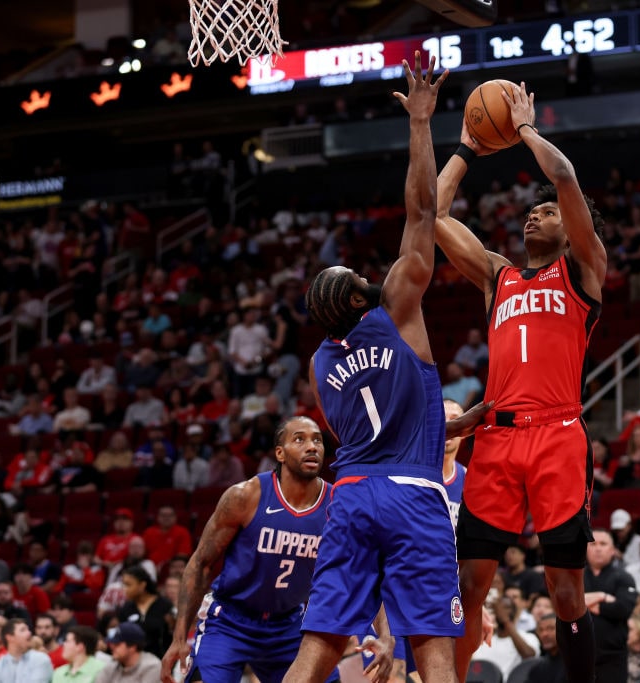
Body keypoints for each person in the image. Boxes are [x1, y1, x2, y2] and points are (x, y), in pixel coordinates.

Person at [282, 55, 474, 683]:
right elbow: (422, 213)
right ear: (362, 297)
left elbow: (373, 428)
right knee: (432, 648)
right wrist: (421, 124)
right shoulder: (397, 311)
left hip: (354, 493)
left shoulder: (318, 364)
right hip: (415, 494)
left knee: (321, 646)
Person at [434, 75, 608, 682]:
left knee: (566, 592)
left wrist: (525, 127)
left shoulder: (584, 272)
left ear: (570, 228)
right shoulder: (498, 277)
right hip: (499, 440)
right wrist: (462, 148)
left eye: (547, 212)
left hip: (558, 436)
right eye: (530, 211)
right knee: (468, 582)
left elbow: (563, 178)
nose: (537, 214)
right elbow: (431, 214)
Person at [161, 417, 351, 683]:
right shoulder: (245, 496)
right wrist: (179, 638)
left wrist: (377, 636)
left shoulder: (336, 506)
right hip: (230, 620)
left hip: (288, 624)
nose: (312, 447)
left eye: (317, 440)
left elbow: (360, 571)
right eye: (300, 439)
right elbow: (201, 563)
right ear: (280, 453)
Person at [584, 529, 638, 681]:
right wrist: (602, 597)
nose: (598, 548)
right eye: (593, 544)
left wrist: (587, 604)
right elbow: (567, 605)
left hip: (613, 656)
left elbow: (623, 609)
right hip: (578, 654)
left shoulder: (624, 577)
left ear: (613, 550)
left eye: (603, 544)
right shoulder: (576, 577)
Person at [0, 618, 54, 683]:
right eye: (23, 630)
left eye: (28, 630)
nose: (29, 633)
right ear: (9, 637)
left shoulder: (40, 660)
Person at [94, 623, 162, 683]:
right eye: (112, 643)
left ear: (132, 647)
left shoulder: (152, 666)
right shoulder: (111, 666)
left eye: (117, 644)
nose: (112, 647)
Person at [442, 399, 467, 530]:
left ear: (466, 431)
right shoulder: (412, 477)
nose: (449, 425)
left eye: (455, 419)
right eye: (442, 418)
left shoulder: (470, 480)